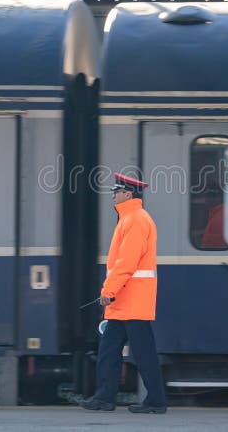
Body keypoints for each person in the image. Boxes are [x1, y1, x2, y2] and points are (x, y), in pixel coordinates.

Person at [80, 172, 167, 414]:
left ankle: (156, 401)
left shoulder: (136, 220)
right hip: (124, 303)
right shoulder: (129, 219)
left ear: (128, 194)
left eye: (116, 191)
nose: (113, 194)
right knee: (109, 351)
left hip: (132, 302)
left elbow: (126, 262)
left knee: (143, 353)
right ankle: (104, 398)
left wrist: (108, 290)